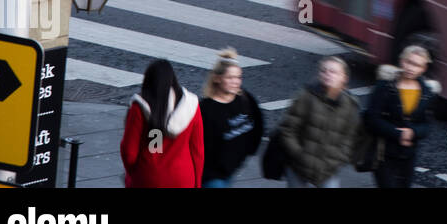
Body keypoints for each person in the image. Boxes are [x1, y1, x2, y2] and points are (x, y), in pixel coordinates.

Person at [277, 56, 361, 188]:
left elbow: (350, 139)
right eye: (324, 71)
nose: (328, 74)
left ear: (344, 78)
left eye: (333, 72)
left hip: (328, 170)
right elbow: (288, 130)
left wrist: (337, 160)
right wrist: (299, 155)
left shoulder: (350, 105)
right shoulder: (305, 97)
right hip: (298, 167)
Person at [364, 45, 439, 189]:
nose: (411, 68)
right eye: (409, 62)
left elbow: (427, 125)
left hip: (408, 156)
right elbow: (371, 119)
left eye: (417, 65)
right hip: (383, 154)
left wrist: (413, 133)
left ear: (423, 69)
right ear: (401, 61)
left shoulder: (427, 93)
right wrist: (398, 134)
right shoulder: (384, 87)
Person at [120, 59, 203, 188]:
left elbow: (130, 153)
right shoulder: (191, 105)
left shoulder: (140, 108)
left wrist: (133, 175)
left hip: (148, 178)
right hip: (183, 179)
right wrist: (197, 183)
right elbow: (197, 151)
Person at [199, 49, 263, 188]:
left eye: (238, 77)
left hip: (232, 169)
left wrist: (250, 150)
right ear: (217, 78)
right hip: (212, 175)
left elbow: (258, 123)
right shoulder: (206, 110)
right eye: (230, 78)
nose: (236, 82)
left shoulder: (244, 98)